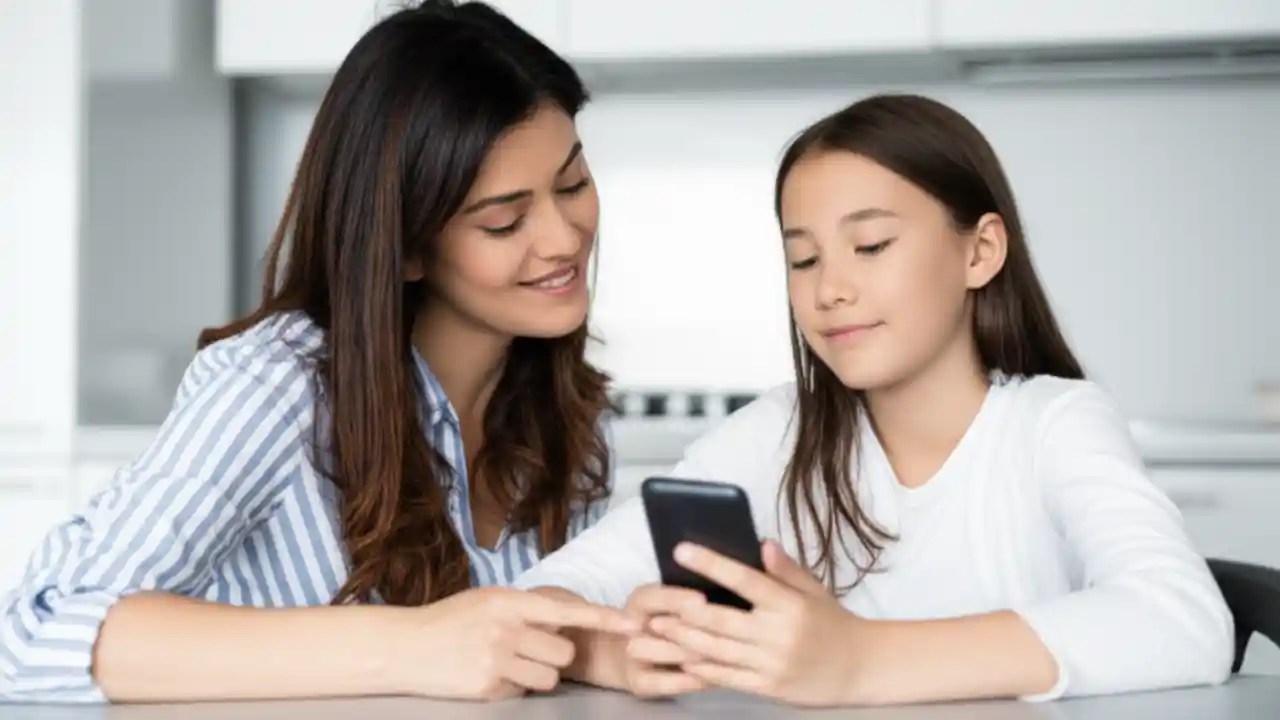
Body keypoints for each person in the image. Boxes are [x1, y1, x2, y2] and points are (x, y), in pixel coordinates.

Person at [0, 0, 637, 704]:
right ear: (404, 248)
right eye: (504, 220)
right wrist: (409, 644)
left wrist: (596, 649)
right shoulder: (276, 386)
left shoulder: (566, 410)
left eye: (573, 184)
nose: (564, 239)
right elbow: (32, 635)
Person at [516, 94, 1234, 706]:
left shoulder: (1053, 425)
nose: (830, 289)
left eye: (871, 246)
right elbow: (550, 594)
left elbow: (1183, 622)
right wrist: (618, 655)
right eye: (803, 258)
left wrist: (856, 660)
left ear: (980, 252)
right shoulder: (777, 434)